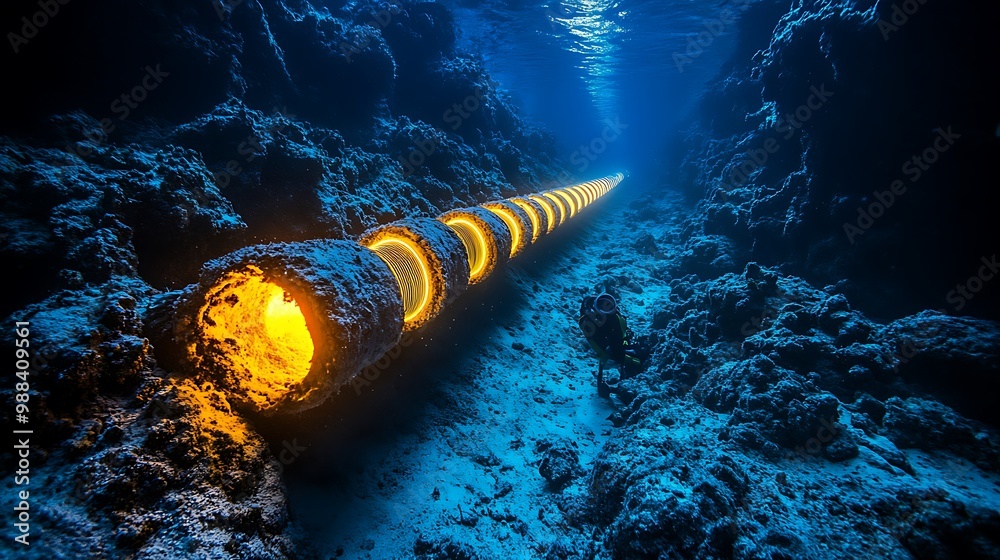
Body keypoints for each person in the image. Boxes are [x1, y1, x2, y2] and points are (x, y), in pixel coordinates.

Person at [578, 293, 643, 397]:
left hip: (616, 345)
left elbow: (623, 335)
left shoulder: (616, 318)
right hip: (608, 346)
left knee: (622, 354)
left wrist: (625, 344)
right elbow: (597, 345)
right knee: (618, 356)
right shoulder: (590, 321)